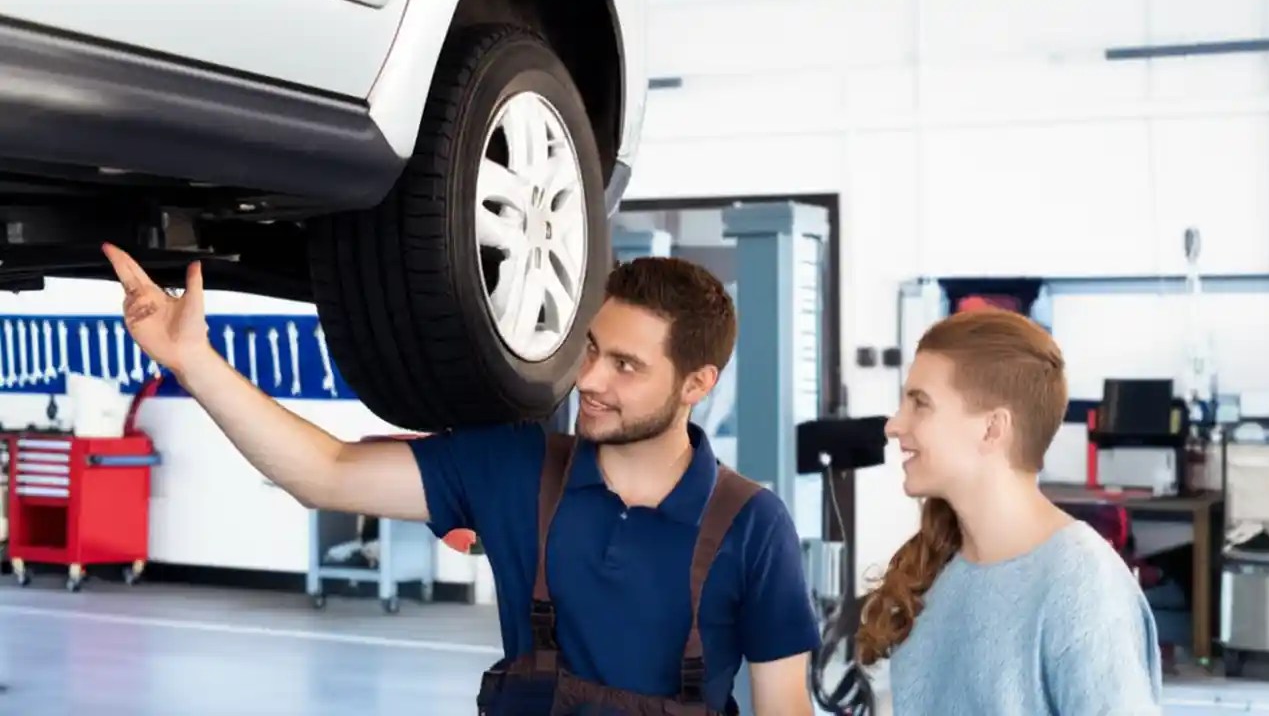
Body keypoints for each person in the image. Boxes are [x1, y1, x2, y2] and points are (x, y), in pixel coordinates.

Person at [102, 244, 819, 715]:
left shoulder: (753, 526)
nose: (590, 380)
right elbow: (326, 473)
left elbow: (785, 707)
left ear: (697, 382)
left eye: (626, 366)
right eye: (592, 349)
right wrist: (193, 361)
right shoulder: (514, 469)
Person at [854, 308, 1162, 715]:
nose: (894, 425)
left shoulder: (1083, 585)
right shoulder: (936, 569)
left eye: (920, 404)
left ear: (993, 429)